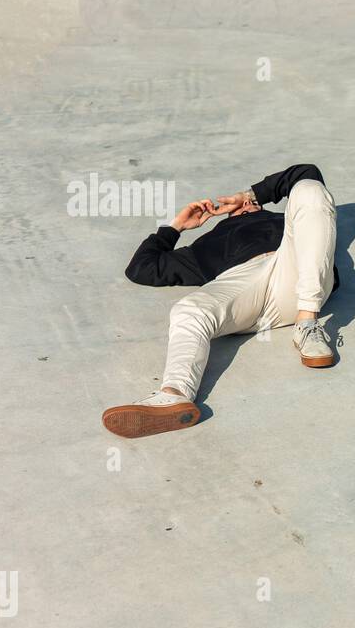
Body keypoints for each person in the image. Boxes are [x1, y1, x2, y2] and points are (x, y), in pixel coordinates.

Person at [102, 163, 339, 438]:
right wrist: (176, 226)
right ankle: (174, 394)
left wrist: (250, 195)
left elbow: (306, 173)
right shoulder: (204, 246)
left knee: (310, 191)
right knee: (188, 310)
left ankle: (307, 325)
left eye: (250, 206)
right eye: (240, 208)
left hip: (294, 277)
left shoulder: (285, 222)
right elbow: (141, 268)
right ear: (225, 219)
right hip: (240, 291)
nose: (245, 209)